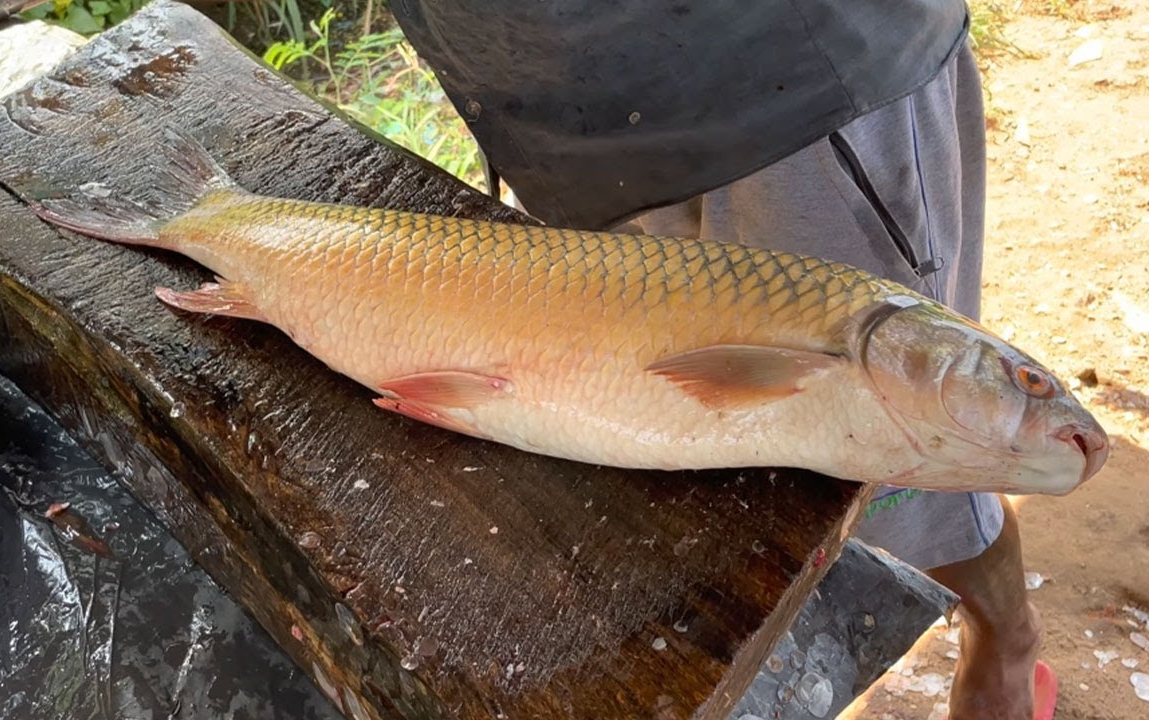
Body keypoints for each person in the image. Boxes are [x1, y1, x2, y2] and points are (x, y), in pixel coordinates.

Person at [385, 2, 1054, 719]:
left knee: (899, 475)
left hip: (786, 77)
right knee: (665, 449)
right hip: (556, 108)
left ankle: (1007, 637)